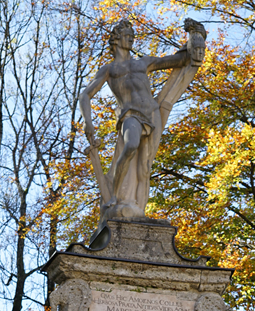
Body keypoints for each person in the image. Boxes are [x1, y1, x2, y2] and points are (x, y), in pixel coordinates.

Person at [79, 17, 206, 226]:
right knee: (130, 146)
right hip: (130, 115)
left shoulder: (143, 62)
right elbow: (85, 95)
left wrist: (195, 38)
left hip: (152, 114)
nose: (131, 39)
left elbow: (177, 60)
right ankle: (115, 196)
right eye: (127, 36)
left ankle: (137, 206)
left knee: (144, 166)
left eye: (132, 36)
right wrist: (88, 122)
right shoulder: (109, 70)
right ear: (117, 39)